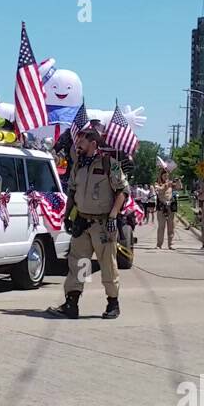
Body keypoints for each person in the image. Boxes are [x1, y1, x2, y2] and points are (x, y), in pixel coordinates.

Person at [47, 130, 128, 320]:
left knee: (107, 263)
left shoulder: (109, 164)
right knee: (79, 263)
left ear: (93, 142)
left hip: (103, 224)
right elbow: (72, 193)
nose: (78, 144)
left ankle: (112, 303)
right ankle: (72, 303)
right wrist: (67, 216)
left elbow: (122, 191)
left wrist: (113, 216)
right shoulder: (78, 167)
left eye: (81, 140)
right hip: (82, 222)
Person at [154, 169, 182, 250]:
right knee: (161, 226)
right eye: (164, 175)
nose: (166, 176)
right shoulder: (157, 183)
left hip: (171, 206)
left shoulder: (171, 183)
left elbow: (179, 187)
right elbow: (159, 190)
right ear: (161, 176)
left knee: (171, 226)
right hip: (161, 206)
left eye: (167, 175)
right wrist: (166, 184)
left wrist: (178, 181)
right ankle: (159, 244)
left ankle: (171, 244)